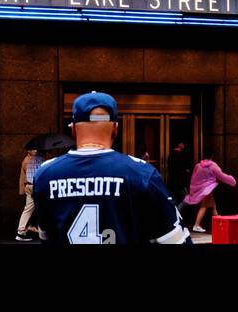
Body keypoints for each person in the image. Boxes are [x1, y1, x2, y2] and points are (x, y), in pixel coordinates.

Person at [32, 92, 188, 245]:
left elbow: (46, 236)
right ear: (116, 129)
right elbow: (175, 239)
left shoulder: (45, 175)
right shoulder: (142, 174)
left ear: (73, 129)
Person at [184, 154, 236, 234]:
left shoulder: (198, 166)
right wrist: (231, 181)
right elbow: (221, 175)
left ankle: (219, 224)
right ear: (212, 157)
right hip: (208, 189)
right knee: (204, 206)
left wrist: (195, 189)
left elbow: (194, 177)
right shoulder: (212, 166)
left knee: (213, 206)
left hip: (204, 189)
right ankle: (197, 225)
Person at [16, 147, 41, 242]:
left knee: (30, 209)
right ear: (29, 151)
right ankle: (23, 230)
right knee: (35, 208)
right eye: (34, 149)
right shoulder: (34, 160)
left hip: (30, 186)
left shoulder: (26, 160)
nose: (36, 150)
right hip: (35, 186)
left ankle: (26, 228)